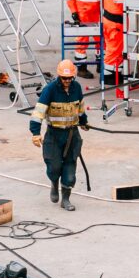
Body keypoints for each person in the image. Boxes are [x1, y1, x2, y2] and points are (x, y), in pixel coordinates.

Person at [30, 60, 90, 209]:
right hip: (54, 135)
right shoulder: (49, 90)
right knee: (54, 166)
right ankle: (54, 182)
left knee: (70, 169)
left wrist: (83, 122)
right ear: (59, 76)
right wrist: (35, 133)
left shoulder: (76, 88)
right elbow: (38, 113)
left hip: (72, 134)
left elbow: (80, 108)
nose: (67, 81)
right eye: (64, 78)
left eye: (70, 78)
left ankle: (66, 199)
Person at [99, 0, 130, 85]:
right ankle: (109, 76)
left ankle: (116, 73)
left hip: (108, 18)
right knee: (114, 48)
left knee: (116, 47)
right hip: (116, 21)